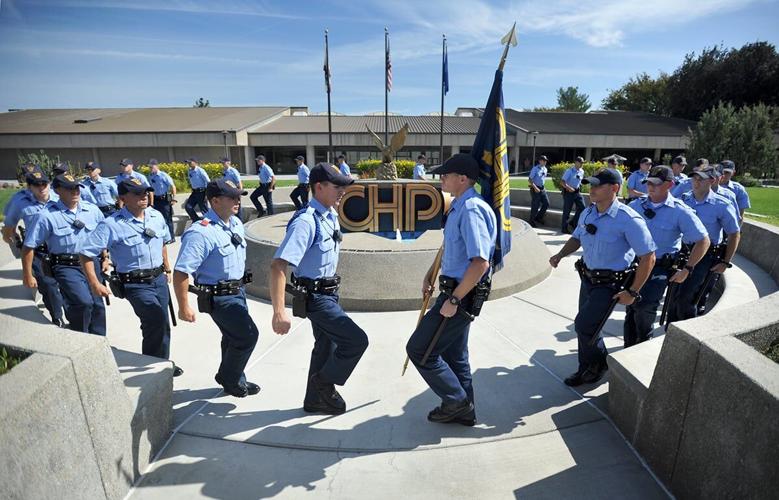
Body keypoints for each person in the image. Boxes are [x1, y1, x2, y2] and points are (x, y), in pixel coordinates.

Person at [405, 154, 496, 426]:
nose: (441, 178)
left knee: (420, 351)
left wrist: (454, 299)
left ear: (463, 179)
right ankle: (465, 412)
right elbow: (453, 247)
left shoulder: (471, 210)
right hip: (454, 290)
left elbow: (480, 262)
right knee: (455, 357)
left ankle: (457, 402)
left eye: (446, 174)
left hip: (460, 296)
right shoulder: (460, 206)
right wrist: (430, 273)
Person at [270, 163, 368, 415]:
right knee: (355, 341)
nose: (342, 191)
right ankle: (323, 384)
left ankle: (314, 400)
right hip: (315, 297)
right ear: (319, 187)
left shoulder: (330, 214)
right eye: (337, 187)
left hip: (329, 293)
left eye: (344, 186)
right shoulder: (306, 221)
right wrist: (279, 312)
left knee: (326, 347)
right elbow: (278, 266)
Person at [549, 168, 656, 386]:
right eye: (591, 184)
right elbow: (577, 238)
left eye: (598, 185)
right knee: (587, 326)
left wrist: (633, 292)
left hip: (610, 284)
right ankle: (585, 368)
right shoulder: (588, 212)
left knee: (584, 325)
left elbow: (648, 257)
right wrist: (560, 254)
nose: (592, 189)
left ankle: (599, 363)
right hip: (587, 278)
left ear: (615, 188)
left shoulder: (628, 219)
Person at [79, 178, 183, 376]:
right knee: (155, 320)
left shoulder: (156, 216)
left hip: (159, 279)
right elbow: (85, 253)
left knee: (163, 324)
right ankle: (156, 367)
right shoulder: (111, 224)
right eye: (137, 193)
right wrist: (94, 283)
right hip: (135, 284)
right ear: (123, 198)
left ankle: (159, 362)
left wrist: (167, 268)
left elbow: (161, 242)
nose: (144, 196)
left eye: (145, 192)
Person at [173, 179, 260, 397]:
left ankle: (234, 377)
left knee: (232, 338)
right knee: (247, 336)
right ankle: (229, 378)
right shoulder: (200, 233)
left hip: (238, 293)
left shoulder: (235, 224)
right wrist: (184, 307)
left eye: (238, 196)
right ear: (215, 200)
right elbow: (181, 272)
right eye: (232, 197)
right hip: (218, 297)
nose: (237, 201)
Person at [625, 166, 710, 347]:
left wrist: (687, 269)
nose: (650, 186)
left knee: (644, 307)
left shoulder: (680, 211)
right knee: (631, 309)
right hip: (635, 265)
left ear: (670, 185)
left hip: (660, 268)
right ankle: (628, 350)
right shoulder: (635, 206)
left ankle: (642, 342)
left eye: (656, 183)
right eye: (648, 182)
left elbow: (703, 241)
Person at [22, 173, 107, 335]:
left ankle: (100, 341)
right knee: (83, 302)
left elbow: (101, 235)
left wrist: (105, 258)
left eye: (77, 188)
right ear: (57, 190)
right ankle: (80, 337)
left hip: (91, 263)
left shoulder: (92, 210)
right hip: (66, 266)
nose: (75, 192)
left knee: (97, 304)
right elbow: (28, 246)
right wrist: (27, 274)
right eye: (69, 189)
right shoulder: (46, 216)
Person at [669, 167, 740, 323]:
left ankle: (687, 334)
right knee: (673, 297)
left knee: (687, 298)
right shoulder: (683, 200)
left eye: (701, 178)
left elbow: (734, 234)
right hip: (683, 251)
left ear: (712, 181)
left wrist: (725, 262)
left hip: (706, 255)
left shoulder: (722, 204)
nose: (696, 182)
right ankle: (670, 333)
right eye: (694, 178)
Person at [3, 166, 65, 326]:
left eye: (44, 183)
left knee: (66, 285)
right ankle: (57, 318)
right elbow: (9, 226)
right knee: (48, 286)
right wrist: (11, 238)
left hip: (62, 249)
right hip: (39, 251)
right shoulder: (20, 202)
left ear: (49, 184)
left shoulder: (62, 198)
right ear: (29, 187)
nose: (41, 188)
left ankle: (70, 312)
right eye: (37, 185)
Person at [148, 159, 177, 243]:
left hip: (164, 200)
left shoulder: (163, 175)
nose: (150, 168)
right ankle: (163, 237)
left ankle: (171, 237)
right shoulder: (150, 176)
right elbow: (151, 190)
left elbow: (173, 186)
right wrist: (151, 202)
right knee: (158, 219)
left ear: (156, 166)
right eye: (149, 167)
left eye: (152, 166)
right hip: (156, 200)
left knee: (167, 219)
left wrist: (174, 198)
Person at [560, 156, 586, 233]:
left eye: (582, 163)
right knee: (567, 211)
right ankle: (564, 228)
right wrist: (568, 188)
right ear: (576, 162)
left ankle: (572, 222)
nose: (582, 164)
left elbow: (579, 181)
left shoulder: (582, 171)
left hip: (577, 192)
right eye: (580, 163)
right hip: (568, 193)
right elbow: (562, 182)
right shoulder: (569, 171)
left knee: (582, 208)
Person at [184, 157, 210, 222]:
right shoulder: (190, 171)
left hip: (202, 192)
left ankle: (210, 224)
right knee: (188, 207)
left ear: (195, 163)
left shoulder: (200, 170)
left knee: (204, 210)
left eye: (190, 162)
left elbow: (208, 181)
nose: (189, 164)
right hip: (194, 192)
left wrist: (206, 194)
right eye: (188, 162)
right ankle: (196, 220)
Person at [528, 155, 549, 228]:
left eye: (546, 161)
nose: (545, 162)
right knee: (535, 206)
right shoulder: (535, 169)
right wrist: (535, 187)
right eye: (544, 160)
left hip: (542, 189)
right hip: (535, 189)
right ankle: (531, 221)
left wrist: (543, 187)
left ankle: (538, 217)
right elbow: (530, 180)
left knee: (546, 204)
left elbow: (542, 179)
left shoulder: (545, 169)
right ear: (540, 161)